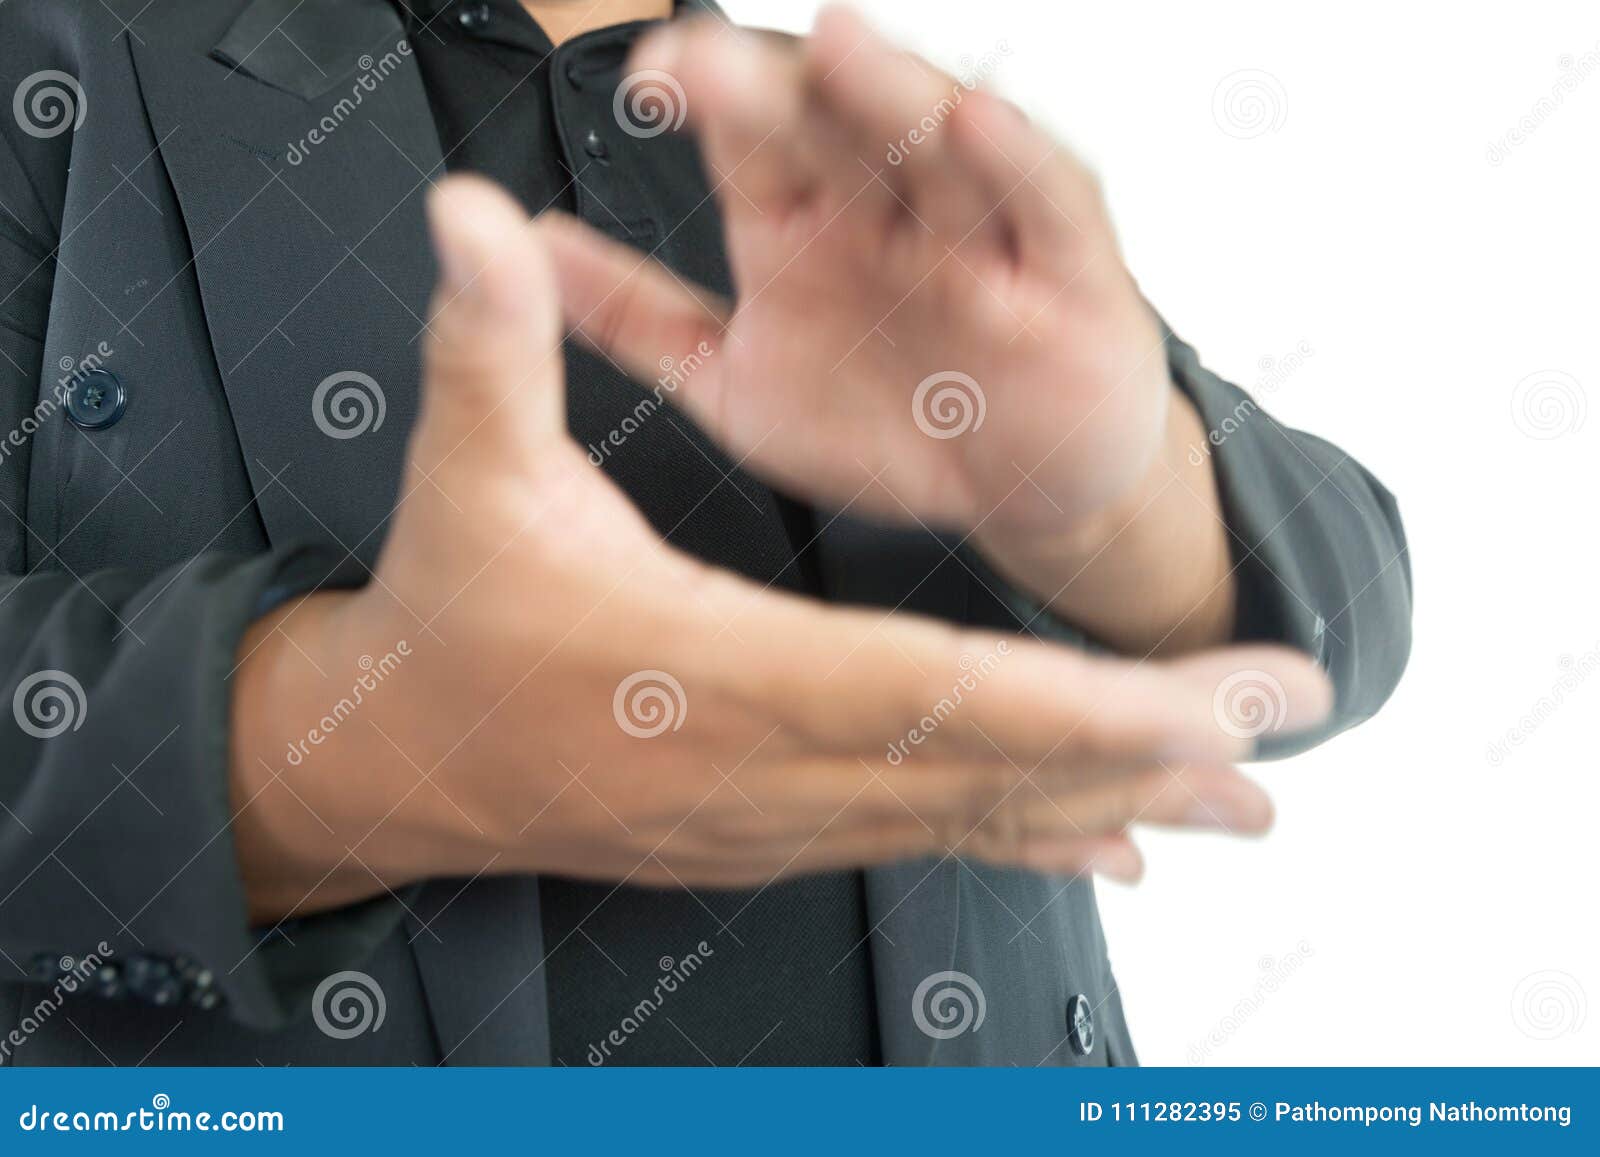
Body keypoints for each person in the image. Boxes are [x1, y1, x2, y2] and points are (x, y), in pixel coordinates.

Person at [0, 0, 1410, 1066]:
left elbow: (1349, 601)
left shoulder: (857, 135)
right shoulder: (65, 68)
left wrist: (1113, 496)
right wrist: (374, 737)